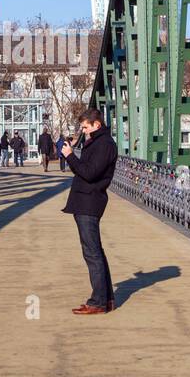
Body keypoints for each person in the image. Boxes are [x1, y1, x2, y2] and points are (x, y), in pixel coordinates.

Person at [60, 108, 118, 315]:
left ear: (96, 125)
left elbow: (89, 173)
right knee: (96, 252)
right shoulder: (97, 142)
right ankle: (107, 299)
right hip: (87, 201)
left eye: (85, 127)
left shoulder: (104, 144)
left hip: (89, 202)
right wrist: (76, 150)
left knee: (92, 253)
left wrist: (69, 156)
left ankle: (97, 302)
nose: (83, 130)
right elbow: (88, 167)